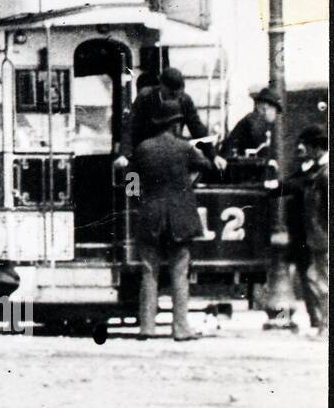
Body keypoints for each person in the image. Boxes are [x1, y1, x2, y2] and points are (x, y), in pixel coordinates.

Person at [131, 100, 213, 340]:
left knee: (149, 272)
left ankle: (147, 327)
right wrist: (189, 178)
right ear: (176, 124)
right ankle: (180, 328)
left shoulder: (143, 148)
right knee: (179, 272)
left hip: (150, 214)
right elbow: (207, 165)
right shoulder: (185, 148)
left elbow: (131, 180)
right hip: (180, 217)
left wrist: (140, 200)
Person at [278, 124, 329, 336]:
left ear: (316, 148)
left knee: (323, 281)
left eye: (306, 146)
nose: (303, 150)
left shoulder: (324, 174)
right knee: (316, 278)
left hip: (322, 237)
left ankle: (325, 327)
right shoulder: (317, 170)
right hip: (317, 237)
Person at [118, 67, 219, 168]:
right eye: (171, 94)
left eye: (178, 94)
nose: (174, 98)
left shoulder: (184, 100)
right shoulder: (145, 97)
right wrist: (124, 155)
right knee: (132, 179)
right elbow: (131, 127)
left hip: (171, 154)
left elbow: (197, 128)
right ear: (161, 85)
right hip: (145, 154)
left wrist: (213, 156)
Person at [222, 86, 283, 159]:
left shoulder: (266, 124)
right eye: (274, 110)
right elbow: (261, 148)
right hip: (246, 165)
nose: (275, 114)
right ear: (264, 109)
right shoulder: (253, 120)